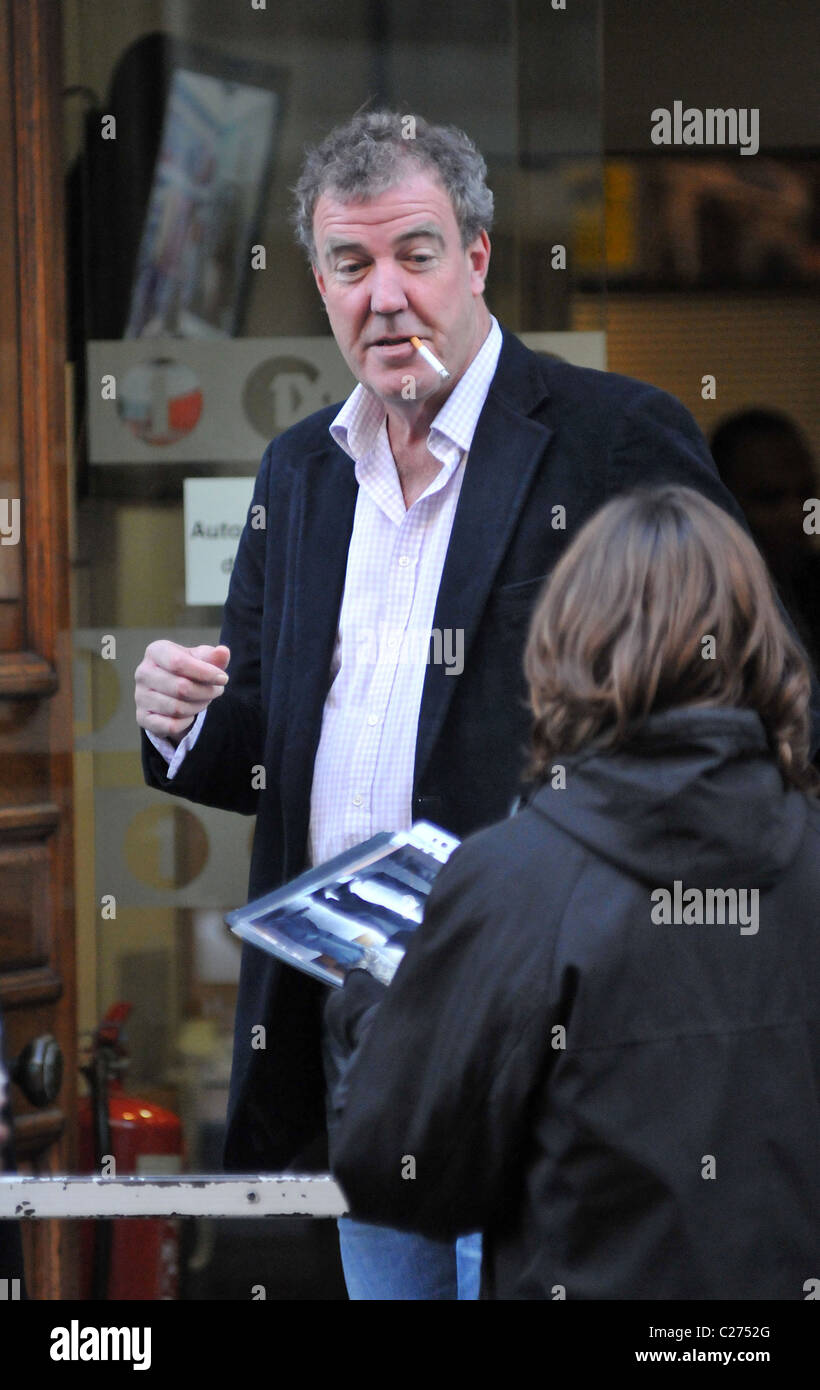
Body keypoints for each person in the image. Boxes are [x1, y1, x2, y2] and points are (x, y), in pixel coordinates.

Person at [135, 109, 820, 1301]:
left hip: (552, 1025)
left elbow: (750, 684)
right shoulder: (298, 471)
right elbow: (263, 745)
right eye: (352, 265)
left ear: (479, 257)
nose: (386, 295)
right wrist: (182, 717)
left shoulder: (611, 437)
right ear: (319, 280)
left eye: (415, 253)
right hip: (362, 1031)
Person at [327, 485, 820, 1300]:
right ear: (761, 645)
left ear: (569, 644)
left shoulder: (517, 880)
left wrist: (376, 1003)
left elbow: (404, 1174)